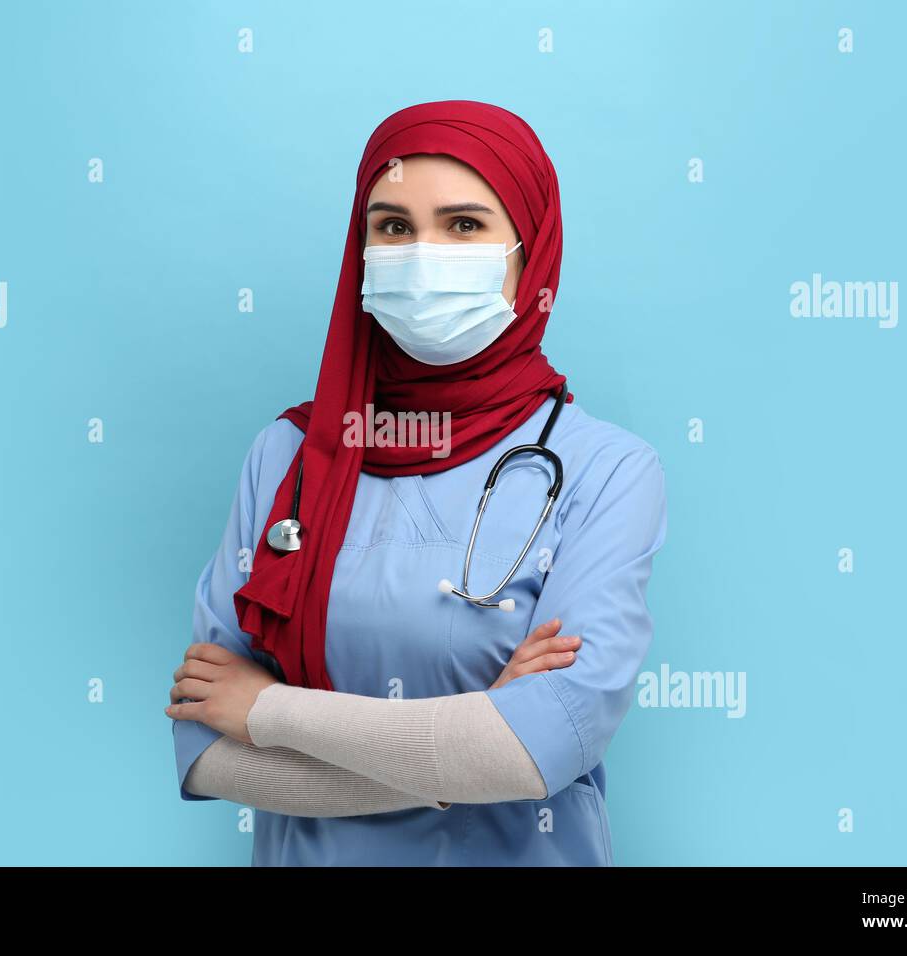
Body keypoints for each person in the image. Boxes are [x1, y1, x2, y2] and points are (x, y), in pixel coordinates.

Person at [167, 100, 668, 866]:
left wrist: (265, 708)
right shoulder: (287, 457)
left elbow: (538, 753)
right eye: (393, 227)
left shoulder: (606, 470)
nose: (423, 253)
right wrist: (463, 742)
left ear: (528, 254)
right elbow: (208, 748)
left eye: (464, 226)